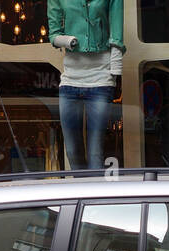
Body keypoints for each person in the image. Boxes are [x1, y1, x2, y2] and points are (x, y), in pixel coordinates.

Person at [49, 0, 124, 170]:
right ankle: (81, 193)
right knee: (72, 151)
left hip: (101, 80)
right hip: (70, 81)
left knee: (95, 152)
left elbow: (117, 35)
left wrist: (115, 73)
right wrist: (68, 41)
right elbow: (53, 35)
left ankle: (95, 196)